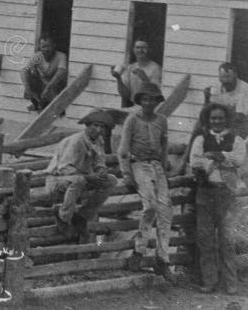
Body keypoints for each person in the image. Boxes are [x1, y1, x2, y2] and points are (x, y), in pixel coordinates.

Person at [117, 83, 174, 281]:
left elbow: (164, 144)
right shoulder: (132, 120)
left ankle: (163, 258)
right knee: (149, 205)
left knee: (166, 210)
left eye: (153, 99)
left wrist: (165, 165)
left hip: (157, 166)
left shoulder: (162, 120)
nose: (149, 103)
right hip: (139, 164)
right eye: (145, 99)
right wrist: (126, 173)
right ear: (140, 101)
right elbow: (123, 148)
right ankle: (139, 250)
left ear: (158, 101)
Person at [190, 102, 245, 295]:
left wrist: (217, 155)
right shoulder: (200, 139)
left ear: (227, 119)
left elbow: (239, 159)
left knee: (227, 240)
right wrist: (211, 163)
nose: (217, 121)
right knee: (206, 239)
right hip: (205, 193)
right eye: (213, 118)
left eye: (220, 118)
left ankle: (231, 283)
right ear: (208, 120)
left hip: (226, 194)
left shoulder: (236, 139)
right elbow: (195, 160)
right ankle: (210, 281)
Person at [45, 109, 119, 242]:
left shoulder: (98, 141)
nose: (98, 129)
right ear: (87, 125)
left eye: (101, 127)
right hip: (57, 179)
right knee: (79, 180)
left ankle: (83, 216)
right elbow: (64, 168)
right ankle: (63, 216)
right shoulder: (76, 141)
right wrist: (89, 177)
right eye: (95, 125)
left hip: (82, 178)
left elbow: (99, 161)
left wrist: (101, 171)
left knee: (111, 181)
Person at [206, 62, 248, 138]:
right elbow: (210, 110)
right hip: (229, 120)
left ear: (235, 76)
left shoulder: (243, 88)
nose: (225, 80)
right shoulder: (216, 86)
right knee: (201, 125)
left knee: (229, 133)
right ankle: (190, 149)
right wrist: (206, 99)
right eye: (222, 77)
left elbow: (240, 117)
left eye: (228, 77)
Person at [21, 35, 68, 112]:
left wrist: (49, 87)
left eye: (48, 46)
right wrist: (27, 88)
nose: (46, 49)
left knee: (56, 106)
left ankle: (49, 106)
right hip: (43, 86)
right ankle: (38, 103)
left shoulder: (60, 56)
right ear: (40, 47)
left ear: (54, 45)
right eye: (43, 46)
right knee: (27, 75)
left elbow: (61, 71)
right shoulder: (38, 56)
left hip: (56, 86)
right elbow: (24, 71)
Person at [111, 39, 162, 108]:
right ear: (133, 50)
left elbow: (156, 93)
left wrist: (144, 78)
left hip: (148, 107)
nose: (140, 50)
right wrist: (118, 78)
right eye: (138, 47)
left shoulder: (156, 68)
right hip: (133, 107)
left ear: (149, 50)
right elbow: (126, 95)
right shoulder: (130, 67)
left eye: (144, 48)